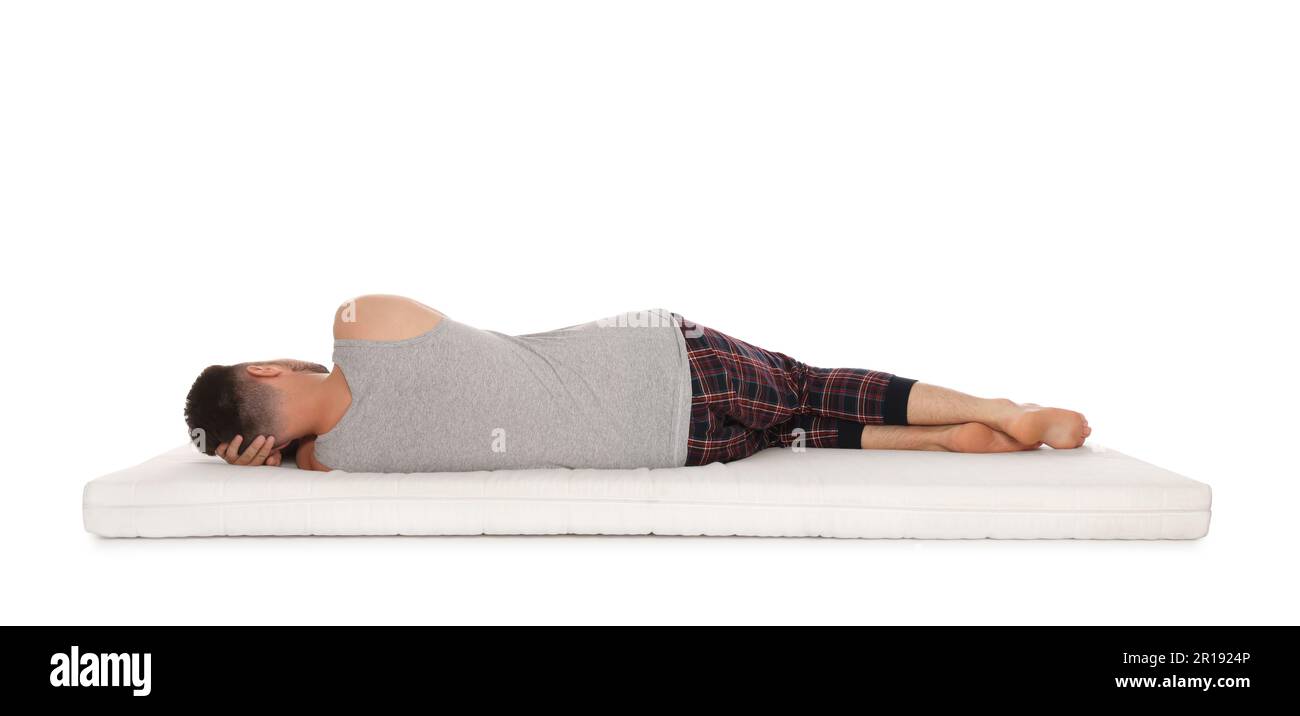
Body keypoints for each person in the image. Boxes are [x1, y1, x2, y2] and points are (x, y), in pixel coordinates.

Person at [184, 295, 1090, 472]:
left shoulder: (337, 463)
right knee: (812, 384)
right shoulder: (361, 326)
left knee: (795, 429)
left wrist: (290, 451)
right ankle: (995, 411)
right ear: (263, 368)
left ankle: (943, 442)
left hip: (677, 449)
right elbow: (339, 344)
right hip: (668, 364)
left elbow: (318, 437)